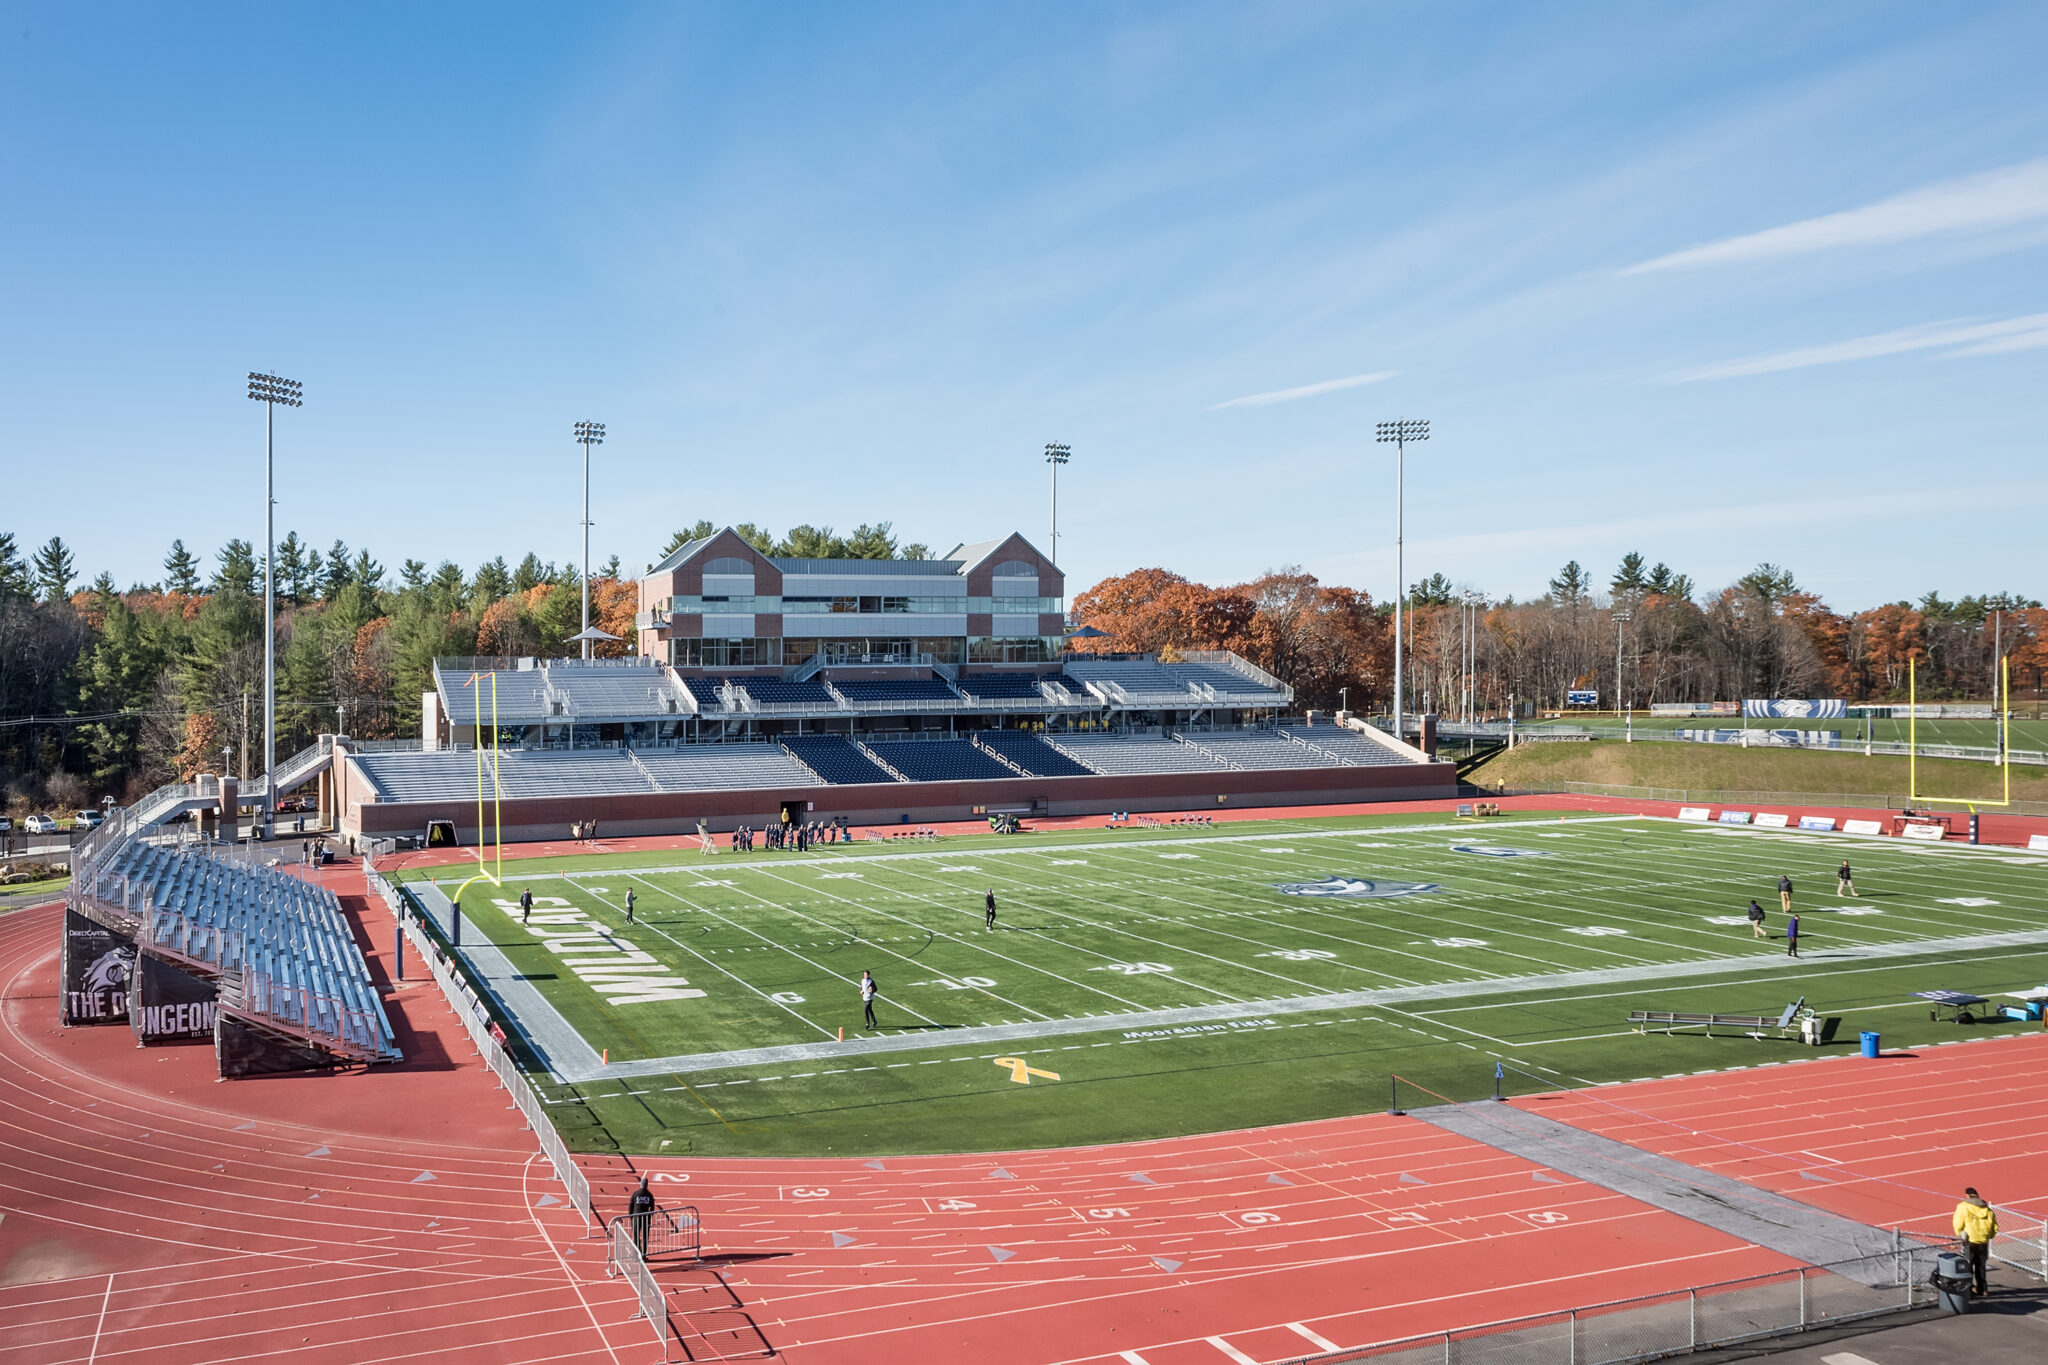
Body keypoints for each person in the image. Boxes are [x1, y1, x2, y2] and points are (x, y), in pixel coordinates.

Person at [1954, 1187, 1999, 1295]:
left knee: (1967, 1266)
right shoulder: (1987, 1209)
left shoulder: (1963, 1207)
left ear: (1967, 1196)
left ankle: (1968, 1288)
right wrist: (1988, 1236)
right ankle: (1983, 1289)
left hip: (1970, 1241)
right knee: (1981, 1267)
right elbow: (1994, 1227)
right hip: (1983, 1241)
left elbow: (1958, 1223)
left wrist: (1959, 1234)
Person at [627, 1175, 656, 1257]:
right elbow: (652, 1208)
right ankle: (643, 1254)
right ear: (647, 1185)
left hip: (636, 1218)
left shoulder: (636, 1193)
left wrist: (631, 1217)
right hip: (645, 1218)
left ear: (640, 1184)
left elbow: (630, 1206)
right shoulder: (650, 1195)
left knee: (636, 1236)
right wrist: (649, 1217)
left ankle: (637, 1254)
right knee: (645, 1237)